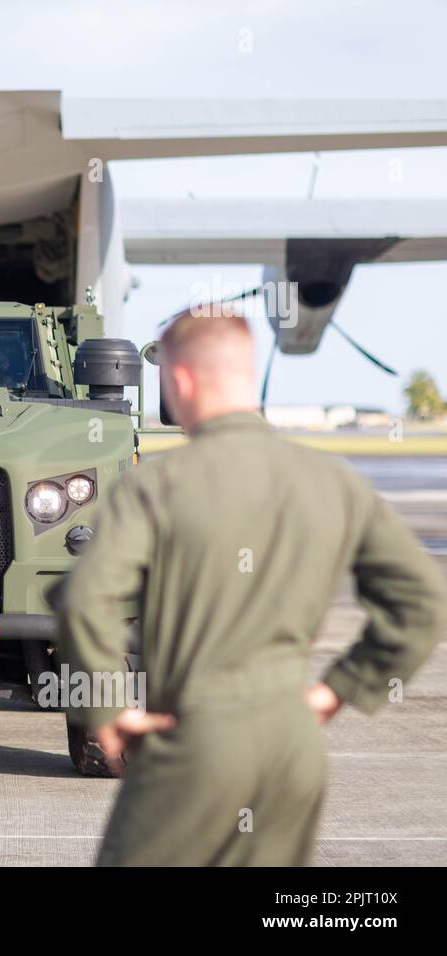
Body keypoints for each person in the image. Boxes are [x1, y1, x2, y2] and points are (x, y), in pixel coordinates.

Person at [57, 308, 446, 866]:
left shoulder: (158, 486)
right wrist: (339, 689)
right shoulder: (332, 482)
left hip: (193, 743)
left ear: (183, 381)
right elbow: (424, 603)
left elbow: (84, 600)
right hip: (293, 747)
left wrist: (110, 709)